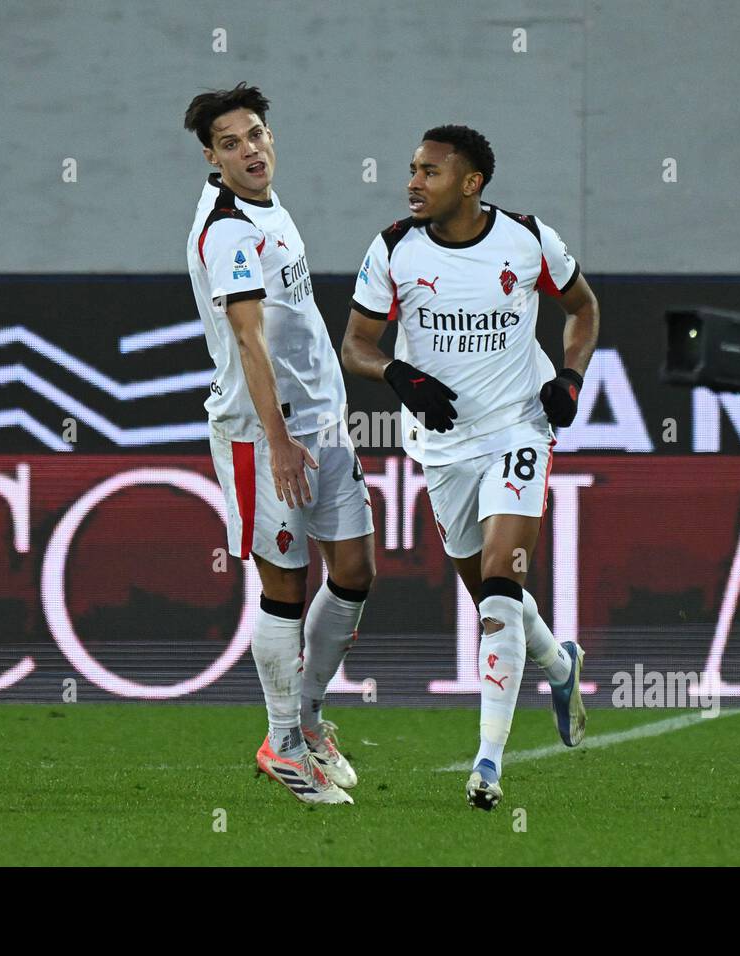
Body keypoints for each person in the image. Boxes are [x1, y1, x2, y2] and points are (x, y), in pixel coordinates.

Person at [342, 125, 600, 810]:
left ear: (471, 182)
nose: (413, 182)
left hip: (519, 429)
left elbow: (583, 308)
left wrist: (569, 377)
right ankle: (558, 663)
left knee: (497, 598)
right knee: (490, 594)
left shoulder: (526, 238)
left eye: (429, 172)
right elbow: (356, 346)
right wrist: (397, 373)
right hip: (442, 446)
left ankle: (487, 765)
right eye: (411, 169)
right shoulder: (394, 248)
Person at [184, 83, 375, 805]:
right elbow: (248, 337)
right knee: (285, 587)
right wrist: (280, 441)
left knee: (355, 571)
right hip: (267, 435)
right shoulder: (230, 229)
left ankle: (311, 718)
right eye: (230, 143)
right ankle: (283, 742)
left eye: (255, 134)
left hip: (322, 421)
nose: (249, 149)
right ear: (211, 156)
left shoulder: (269, 207)